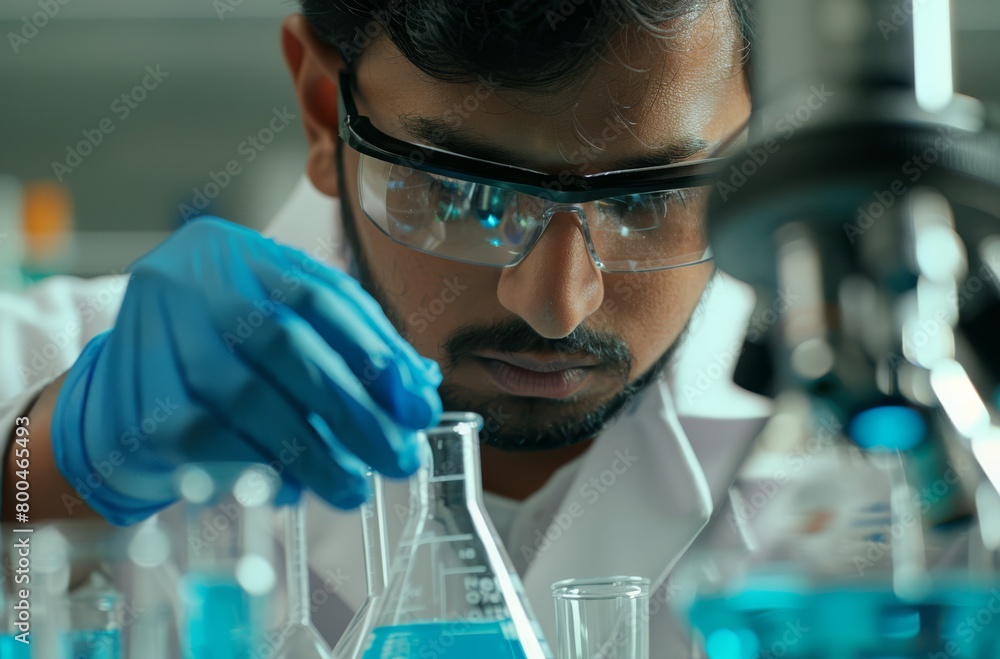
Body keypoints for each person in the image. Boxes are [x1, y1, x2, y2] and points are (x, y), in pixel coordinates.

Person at [1, 0, 771, 649]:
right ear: (319, 105)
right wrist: (41, 473)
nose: (555, 303)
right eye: (461, 193)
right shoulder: (42, 362)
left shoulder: (832, 426)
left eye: (648, 199)